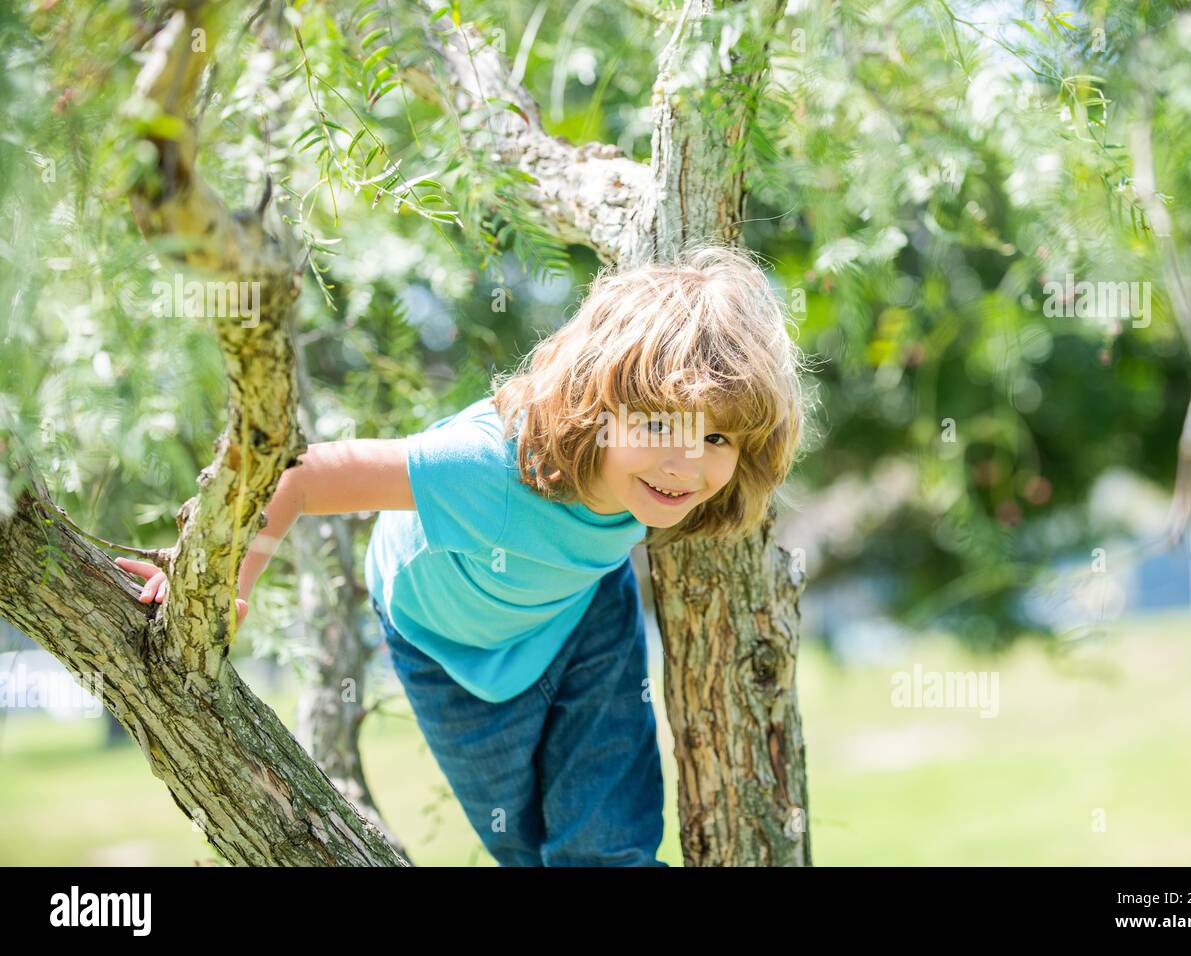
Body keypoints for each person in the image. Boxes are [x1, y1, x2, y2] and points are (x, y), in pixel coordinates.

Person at [116, 242, 813, 866]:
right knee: (522, 842)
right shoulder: (483, 468)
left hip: (582, 610)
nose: (688, 465)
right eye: (663, 425)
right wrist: (220, 584)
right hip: (447, 647)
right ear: (598, 403)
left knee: (605, 845)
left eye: (718, 440)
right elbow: (298, 475)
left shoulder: (665, 489)